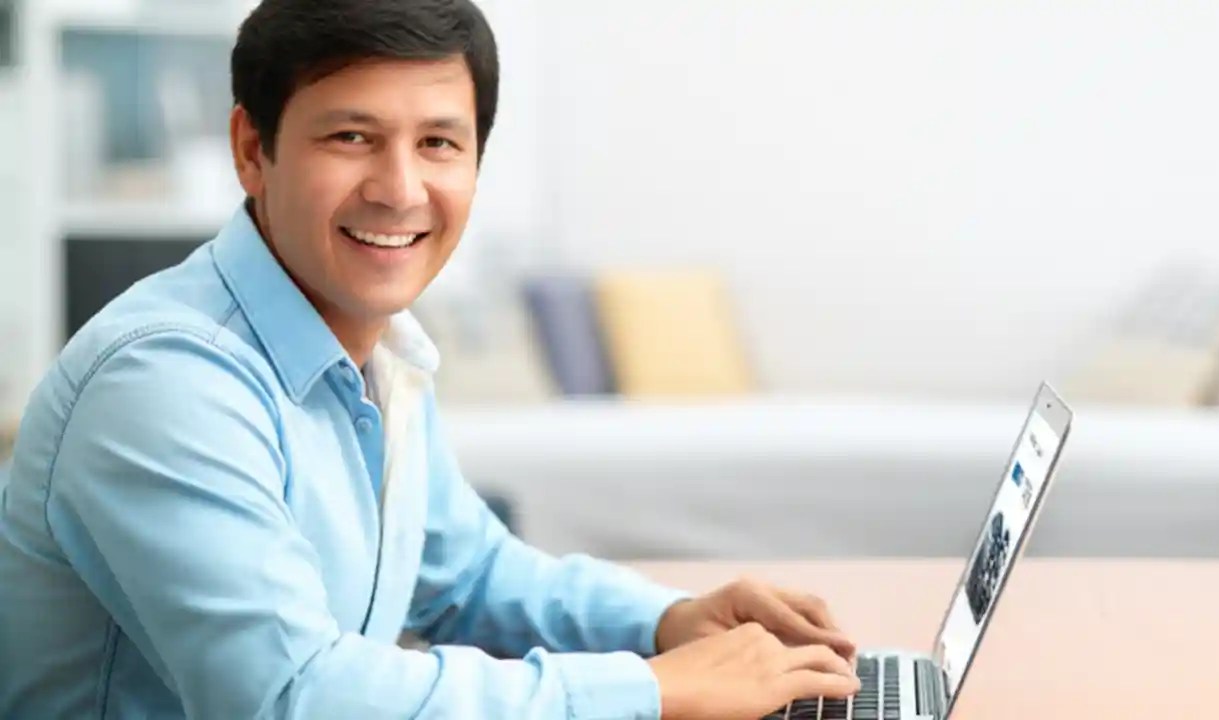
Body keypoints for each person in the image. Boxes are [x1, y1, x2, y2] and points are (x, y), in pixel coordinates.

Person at [0, 1, 859, 717]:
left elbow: (469, 574)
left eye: (439, 144)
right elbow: (292, 697)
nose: (400, 189)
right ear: (252, 150)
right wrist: (649, 689)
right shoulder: (165, 379)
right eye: (351, 137)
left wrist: (670, 620)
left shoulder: (383, 346)